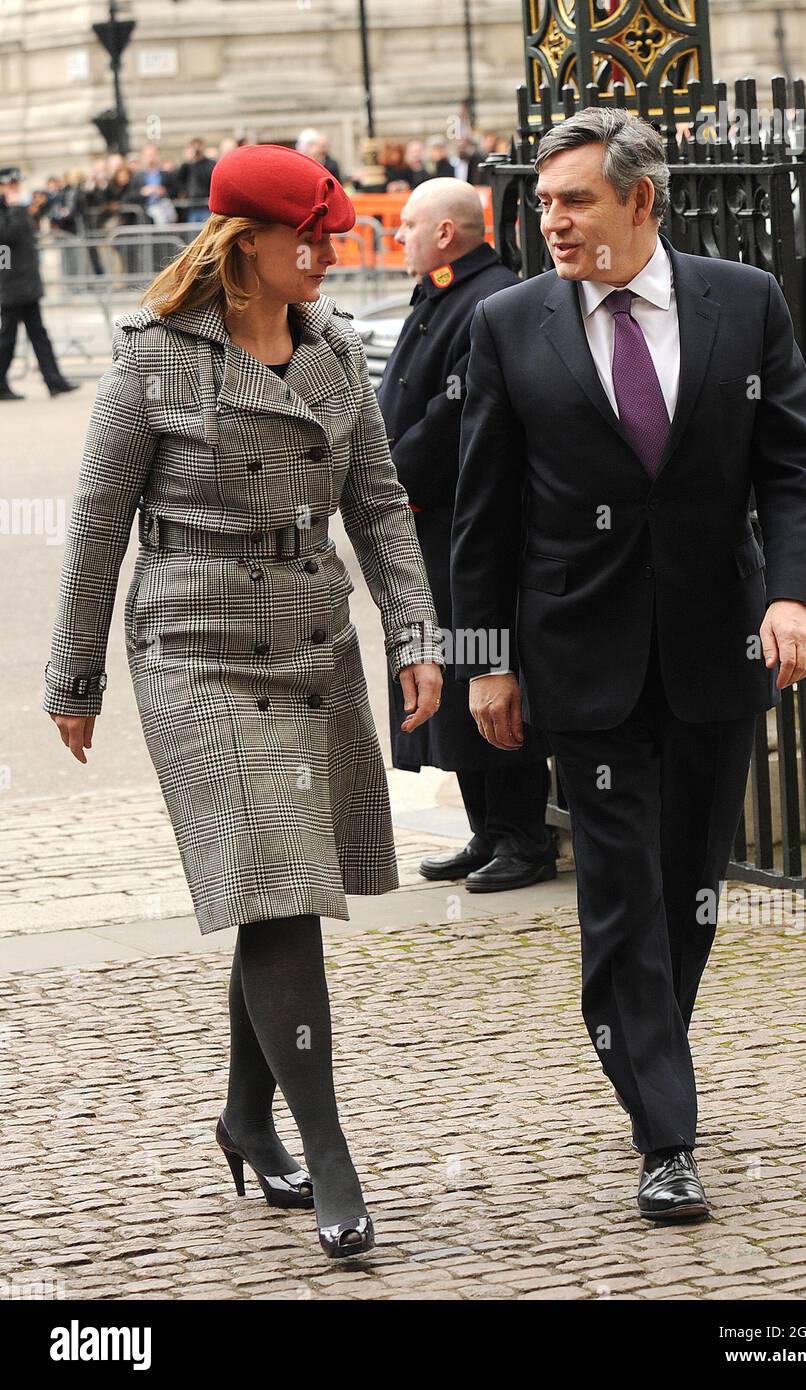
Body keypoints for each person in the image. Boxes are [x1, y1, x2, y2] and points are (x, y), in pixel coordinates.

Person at [44, 143, 445, 1259]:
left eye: (330, 233)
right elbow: (93, 525)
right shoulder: (150, 359)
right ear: (242, 247)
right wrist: (73, 678)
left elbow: (381, 507)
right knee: (273, 882)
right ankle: (328, 1153)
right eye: (307, 238)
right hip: (194, 643)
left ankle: (243, 1114)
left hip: (310, 639)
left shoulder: (337, 353)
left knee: (278, 884)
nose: (330, 252)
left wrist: (416, 630)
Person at [450, 108, 806, 1222]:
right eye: (542, 202)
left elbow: (797, 468)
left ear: (642, 202)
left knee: (689, 898)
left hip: (716, 648)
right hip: (581, 658)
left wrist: (792, 592)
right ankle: (666, 1135)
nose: (550, 220)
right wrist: (486, 661)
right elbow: (484, 515)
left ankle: (646, 1041)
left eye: (574, 200)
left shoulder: (743, 301)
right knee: (619, 898)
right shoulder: (509, 323)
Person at [379, 178, 557, 890]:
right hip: (431, 523)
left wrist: (386, 477)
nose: (399, 237)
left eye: (409, 225)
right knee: (453, 684)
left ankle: (524, 836)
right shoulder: (442, 290)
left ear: (446, 234)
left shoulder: (485, 296)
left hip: (463, 523)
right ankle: (488, 831)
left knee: (483, 671)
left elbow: (454, 423)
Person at [0, 166, 78, 401]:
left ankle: (54, 381)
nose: (17, 189)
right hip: (11, 284)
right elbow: (7, 236)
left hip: (25, 282)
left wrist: (31, 206)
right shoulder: (8, 209)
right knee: (7, 338)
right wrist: (17, 208)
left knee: (39, 335)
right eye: (12, 185)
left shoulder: (13, 208)